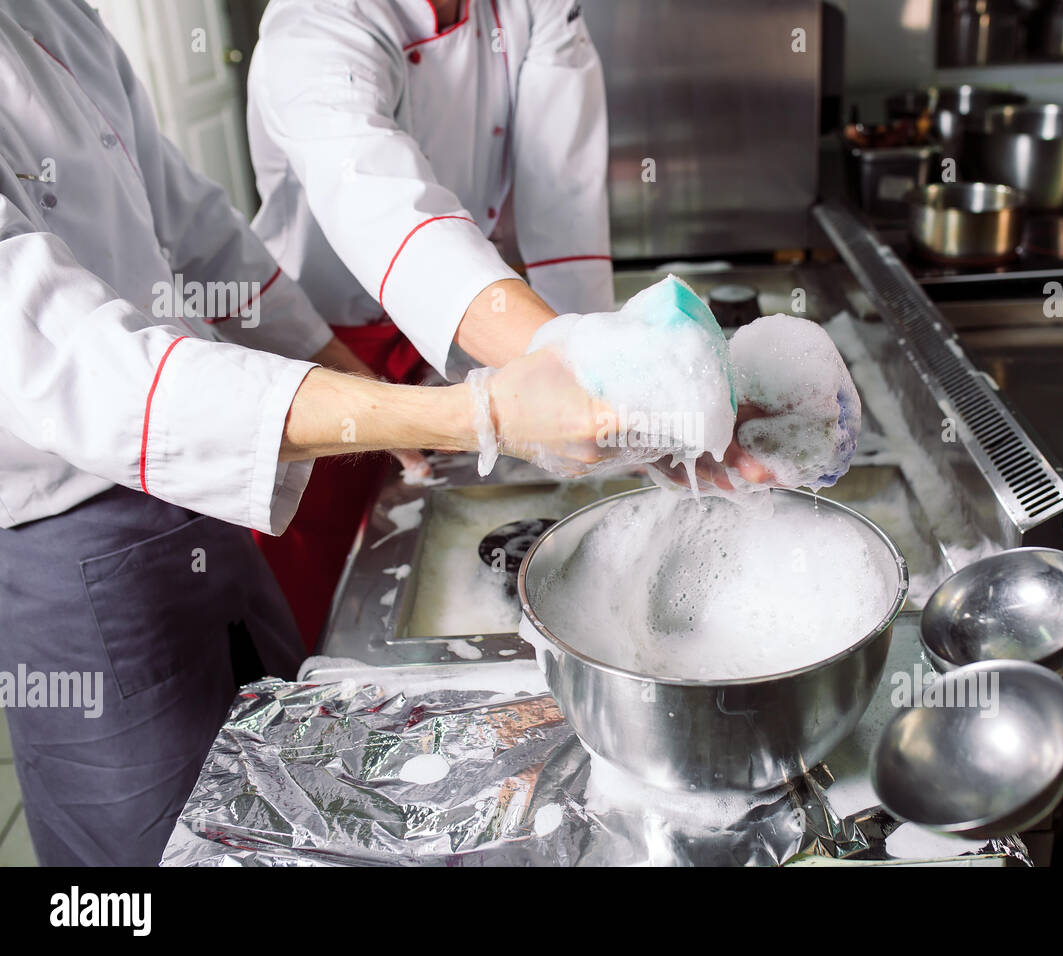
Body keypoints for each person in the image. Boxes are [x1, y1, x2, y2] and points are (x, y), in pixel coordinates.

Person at [0, 0, 623, 866]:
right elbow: (86, 371)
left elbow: (204, 238)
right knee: (141, 845)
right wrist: (470, 411)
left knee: (289, 784)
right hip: (69, 535)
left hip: (204, 475)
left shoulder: (54, 16)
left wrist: (353, 372)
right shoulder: (314, 25)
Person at [244, 0, 616, 648]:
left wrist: (603, 382)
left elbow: (567, 210)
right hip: (317, 347)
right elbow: (394, 219)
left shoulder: (540, 8)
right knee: (335, 600)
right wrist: (574, 368)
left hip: (467, 326)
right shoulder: (314, 20)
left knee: (434, 546)